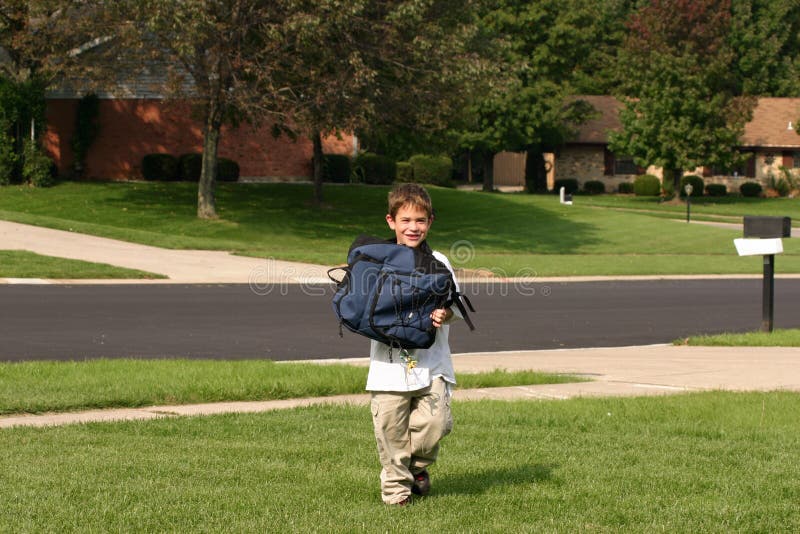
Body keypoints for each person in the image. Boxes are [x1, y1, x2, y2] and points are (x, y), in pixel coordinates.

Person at [367, 183, 461, 506]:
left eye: (420, 220)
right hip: (388, 367)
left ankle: (417, 467)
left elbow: (458, 308)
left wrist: (444, 313)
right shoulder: (376, 262)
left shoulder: (439, 262)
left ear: (430, 222)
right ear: (391, 221)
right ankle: (396, 494)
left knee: (435, 424)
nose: (413, 227)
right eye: (405, 220)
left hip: (432, 363)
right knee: (390, 430)